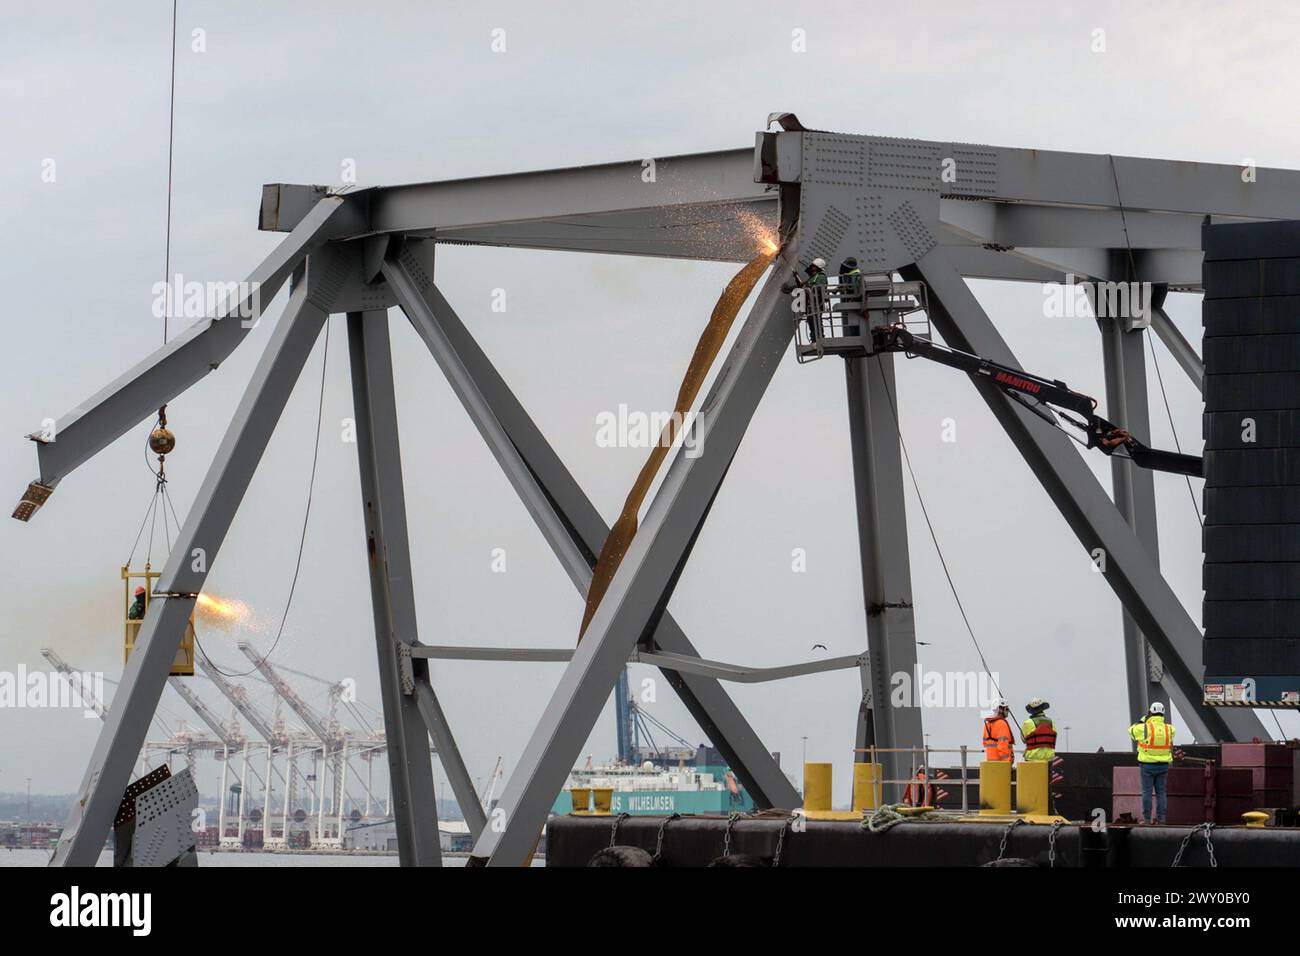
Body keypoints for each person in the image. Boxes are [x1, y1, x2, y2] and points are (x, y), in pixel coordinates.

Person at [1129, 701, 1175, 824]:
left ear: (1150, 712)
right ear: (1163, 713)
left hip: (1147, 765)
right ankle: (1161, 820)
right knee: (1161, 793)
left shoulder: (1144, 728)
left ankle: (1147, 819)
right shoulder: (1169, 729)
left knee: (1147, 793)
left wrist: (1143, 719)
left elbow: (1131, 731)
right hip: (1163, 765)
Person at [1020, 698, 1057, 762]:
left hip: (1032, 759)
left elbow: (1023, 740)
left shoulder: (1027, 723)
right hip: (1049, 759)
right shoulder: (1052, 722)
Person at [982, 698, 1015, 764]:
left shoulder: (988, 723)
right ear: (1000, 710)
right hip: (1001, 763)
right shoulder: (1001, 723)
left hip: (990, 762)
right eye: (1006, 709)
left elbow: (985, 743)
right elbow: (1002, 746)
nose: (1008, 711)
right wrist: (1006, 762)